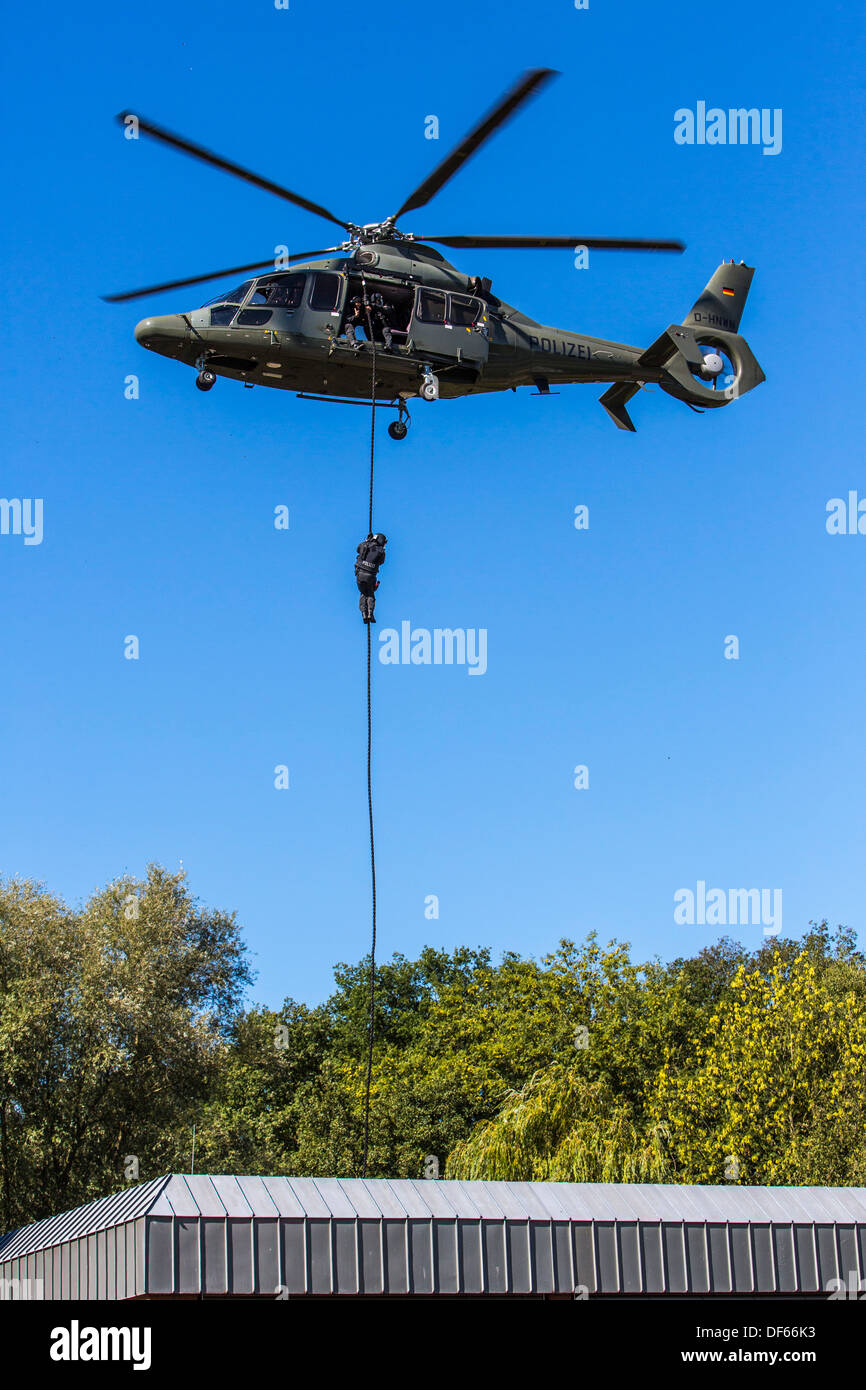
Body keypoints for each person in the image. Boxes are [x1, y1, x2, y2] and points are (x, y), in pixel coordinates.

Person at [355, 533, 387, 623]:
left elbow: (358, 549)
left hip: (360, 575)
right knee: (370, 594)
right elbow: (381, 562)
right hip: (370, 576)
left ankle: (364, 614)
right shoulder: (381, 551)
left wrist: (366, 541)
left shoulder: (365, 545)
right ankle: (370, 613)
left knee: (363, 593)